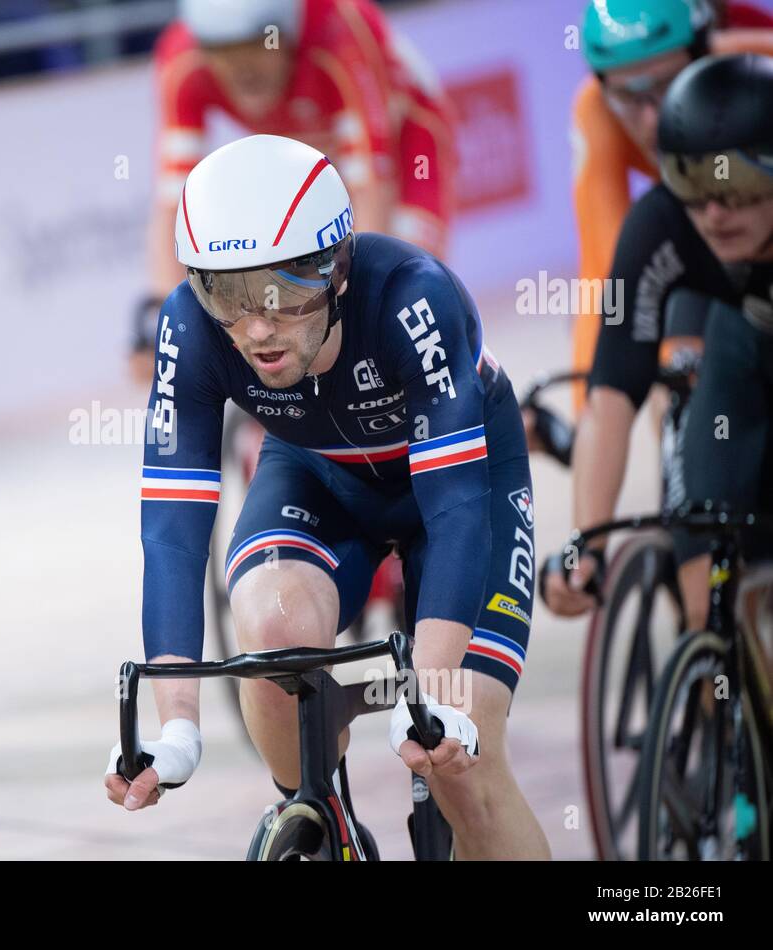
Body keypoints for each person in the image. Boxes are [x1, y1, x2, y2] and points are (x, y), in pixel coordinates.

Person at [105, 135, 549, 859]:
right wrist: (176, 724)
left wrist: (431, 691)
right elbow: (174, 531)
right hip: (318, 475)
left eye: (280, 293)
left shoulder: (416, 297)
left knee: (462, 769)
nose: (256, 328)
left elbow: (458, 510)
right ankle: (322, 817)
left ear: (336, 269)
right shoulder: (189, 325)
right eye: (228, 293)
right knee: (273, 636)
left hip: (467, 488)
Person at [543, 53, 773, 628]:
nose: (715, 212)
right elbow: (612, 395)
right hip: (739, 359)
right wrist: (587, 546)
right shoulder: (661, 224)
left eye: (738, 184)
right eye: (691, 181)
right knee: (703, 601)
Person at [131, 0, 456, 379]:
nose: (242, 72)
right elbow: (172, 201)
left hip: (408, 143)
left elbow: (371, 183)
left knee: (403, 290)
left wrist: (362, 301)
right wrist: (162, 313)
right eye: (224, 55)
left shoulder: (338, 32)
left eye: (254, 48)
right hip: (304, 150)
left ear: (286, 33)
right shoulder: (182, 58)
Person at [566, 0, 773, 415]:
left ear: (704, 55)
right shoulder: (594, 109)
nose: (651, 121)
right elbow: (607, 275)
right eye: (627, 96)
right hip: (714, 231)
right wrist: (589, 412)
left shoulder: (757, 64)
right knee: (674, 359)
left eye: (668, 84)